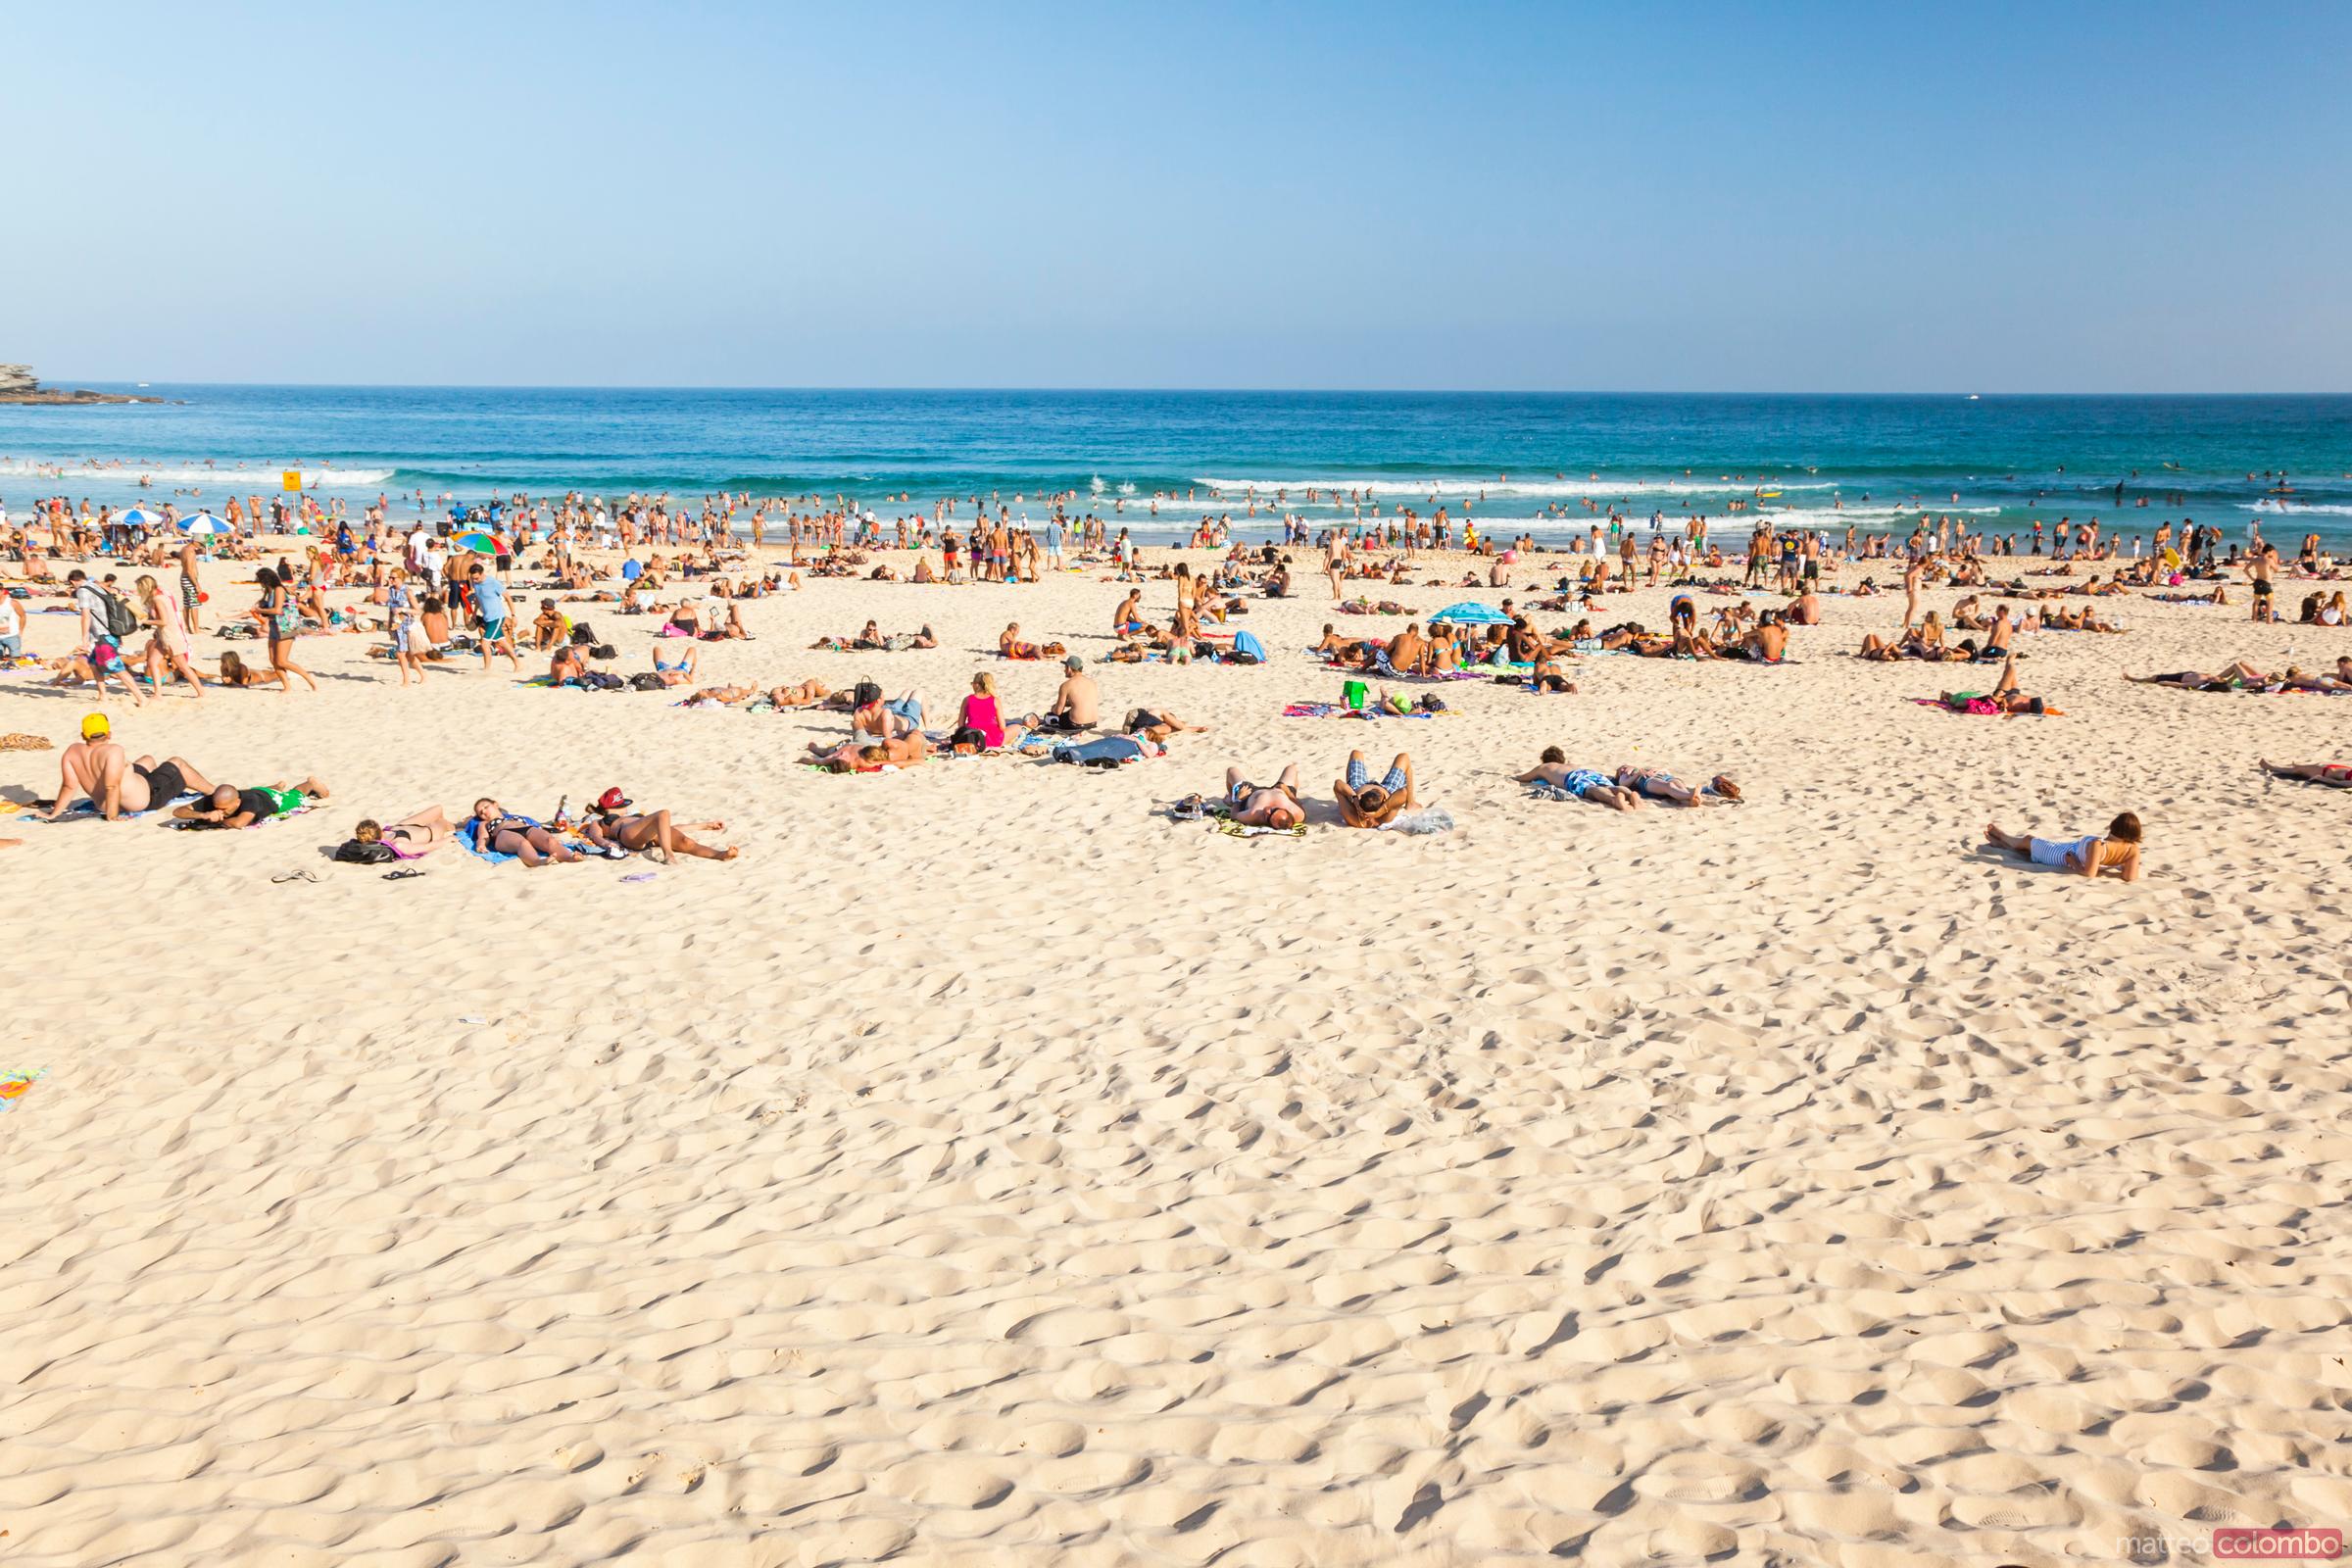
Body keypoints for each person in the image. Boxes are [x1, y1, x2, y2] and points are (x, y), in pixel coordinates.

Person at [38, 712, 218, 819]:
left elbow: (69, 786)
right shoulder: (113, 750)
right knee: (177, 763)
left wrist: (54, 813)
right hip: (143, 801)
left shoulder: (72, 752)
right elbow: (111, 785)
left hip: (102, 804)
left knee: (147, 760)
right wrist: (112, 815)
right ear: (109, 734)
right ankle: (213, 791)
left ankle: (153, 780)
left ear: (83, 735)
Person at [580, 786, 739, 862]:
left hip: (650, 834)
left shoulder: (632, 816)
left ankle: (721, 855)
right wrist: (608, 844)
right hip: (627, 834)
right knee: (663, 813)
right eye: (623, 805)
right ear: (613, 807)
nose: (626, 807)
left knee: (687, 842)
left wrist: (704, 825)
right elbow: (596, 836)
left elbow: (667, 827)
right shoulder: (598, 822)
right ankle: (668, 855)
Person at [1984, 812, 2142, 880]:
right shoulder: (2133, 849)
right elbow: (2130, 877)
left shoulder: (2098, 845)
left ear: (2114, 826)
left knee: (2029, 841)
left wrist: (2073, 862)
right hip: (2070, 847)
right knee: (2029, 849)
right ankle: (2002, 845)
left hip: (2062, 855)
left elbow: (2089, 874)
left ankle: (2003, 837)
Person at [67, 568, 144, 707]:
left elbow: (86, 615)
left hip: (103, 635)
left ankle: (141, 698)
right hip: (109, 633)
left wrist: (84, 639)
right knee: (94, 664)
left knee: (117, 668)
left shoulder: (83, 591)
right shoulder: (97, 586)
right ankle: (102, 695)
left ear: (73, 581)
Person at [134, 573, 204, 697]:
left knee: (183, 667)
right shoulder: (161, 594)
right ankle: (158, 694)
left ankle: (201, 692)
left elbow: (164, 621)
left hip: (171, 637)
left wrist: (145, 621)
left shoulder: (158, 600)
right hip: (164, 636)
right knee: (152, 662)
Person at [252, 566, 318, 693]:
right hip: (274, 626)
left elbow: (277, 610)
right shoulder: (270, 591)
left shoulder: (279, 589)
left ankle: (308, 678)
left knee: (282, 661)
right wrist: (261, 604)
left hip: (286, 626)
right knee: (273, 660)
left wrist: (260, 610)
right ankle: (287, 687)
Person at [172, 776, 330, 827]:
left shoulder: (250, 803)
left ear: (237, 803)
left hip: (269, 799)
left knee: (296, 795)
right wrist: (203, 814)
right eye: (217, 807)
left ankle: (310, 783)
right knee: (264, 789)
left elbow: (240, 822)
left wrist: (220, 820)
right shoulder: (217, 799)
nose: (220, 810)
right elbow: (177, 811)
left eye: (224, 809)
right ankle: (277, 785)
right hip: (257, 790)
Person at [465, 798, 583, 866]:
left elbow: (535, 826)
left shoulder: (515, 817)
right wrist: (480, 845)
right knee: (522, 843)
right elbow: (483, 837)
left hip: (525, 829)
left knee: (550, 840)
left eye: (486, 807)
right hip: (503, 834)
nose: (484, 811)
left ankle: (569, 857)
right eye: (480, 812)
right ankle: (537, 861)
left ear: (495, 804)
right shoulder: (483, 823)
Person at [1517, 747, 1640, 809]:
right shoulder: (1571, 765)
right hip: (1588, 772)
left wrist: (1515, 778)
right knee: (1608, 786)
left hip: (1572, 778)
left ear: (1545, 759)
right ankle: (1631, 795)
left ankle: (1613, 800)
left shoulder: (1545, 767)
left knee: (1590, 789)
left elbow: (1524, 778)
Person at [1335, 751, 1415, 827]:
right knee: (1403, 757)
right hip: (1389, 789)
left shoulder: (1354, 819)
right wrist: (1379, 812)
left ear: (1362, 796)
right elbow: (1403, 792)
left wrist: (1354, 798)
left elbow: (1338, 784)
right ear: (1384, 801)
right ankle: (1411, 803)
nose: (1374, 788)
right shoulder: (1385, 817)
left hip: (1358, 786)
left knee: (1356, 753)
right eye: (1380, 794)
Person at [351, 807, 459, 858]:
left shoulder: (387, 832)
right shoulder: (399, 845)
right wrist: (448, 839)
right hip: (431, 833)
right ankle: (460, 825)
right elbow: (428, 847)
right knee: (442, 822)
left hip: (403, 827)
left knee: (438, 809)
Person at [1224, 763, 1305, 828]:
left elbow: (1234, 815)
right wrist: (1289, 793)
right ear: (1287, 811)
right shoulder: (1298, 814)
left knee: (1231, 770)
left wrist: (1238, 799)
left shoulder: (1254, 814)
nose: (1267, 811)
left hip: (1250, 792)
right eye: (1274, 810)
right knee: (1292, 768)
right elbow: (1296, 802)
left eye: (1268, 817)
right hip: (1280, 790)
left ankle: (1231, 798)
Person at [1613, 764, 1740, 806]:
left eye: (1625, 766)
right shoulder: (1628, 774)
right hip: (1647, 782)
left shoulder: (1640, 768)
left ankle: (1693, 795)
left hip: (1666, 776)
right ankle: (1691, 795)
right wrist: (1638, 773)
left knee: (1677, 784)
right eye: (1622, 768)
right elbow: (1623, 783)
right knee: (1668, 788)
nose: (1625, 767)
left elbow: (1666, 770)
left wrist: (1660, 770)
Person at [472, 565, 519, 672]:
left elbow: (508, 597)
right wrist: (475, 612)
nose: (475, 580)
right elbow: (478, 599)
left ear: (482, 573)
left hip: (497, 617)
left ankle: (487, 669)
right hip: (487, 618)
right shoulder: (475, 583)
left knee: (485, 644)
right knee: (502, 642)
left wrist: (513, 615)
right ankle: (517, 663)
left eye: (477, 578)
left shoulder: (493, 583)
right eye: (473, 578)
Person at [1038, 655, 1099, 732]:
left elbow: (1058, 711)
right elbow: (1084, 701)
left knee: (1050, 716)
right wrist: (1069, 703)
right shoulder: (1092, 682)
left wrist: (1053, 707)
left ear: (1069, 668)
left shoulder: (1066, 685)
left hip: (1076, 724)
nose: (1064, 670)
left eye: (1065, 667)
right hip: (1093, 723)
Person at [2261, 760, 2352, 789]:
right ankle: (2273, 767)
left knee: (2297, 770)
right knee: (2297, 768)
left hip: (2323, 773)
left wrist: (2321, 779)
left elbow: (2339, 783)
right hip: (2328, 767)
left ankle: (2271, 767)